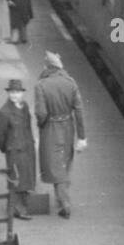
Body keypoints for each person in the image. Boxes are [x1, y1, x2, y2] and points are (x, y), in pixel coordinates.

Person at [34, 52, 86, 218]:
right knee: (63, 162)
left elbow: (41, 113)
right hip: (68, 126)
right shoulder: (71, 83)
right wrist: (82, 136)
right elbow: (79, 110)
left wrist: (41, 124)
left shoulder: (41, 85)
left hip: (51, 127)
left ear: (48, 67)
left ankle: (65, 203)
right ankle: (61, 197)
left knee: (55, 165)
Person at [0, 78, 35, 219]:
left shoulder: (25, 107)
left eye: (17, 92)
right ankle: (16, 208)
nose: (14, 95)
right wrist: (7, 148)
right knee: (16, 179)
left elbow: (28, 127)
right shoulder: (3, 112)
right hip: (14, 151)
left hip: (27, 148)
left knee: (25, 177)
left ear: (22, 93)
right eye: (12, 92)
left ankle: (19, 206)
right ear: (8, 93)